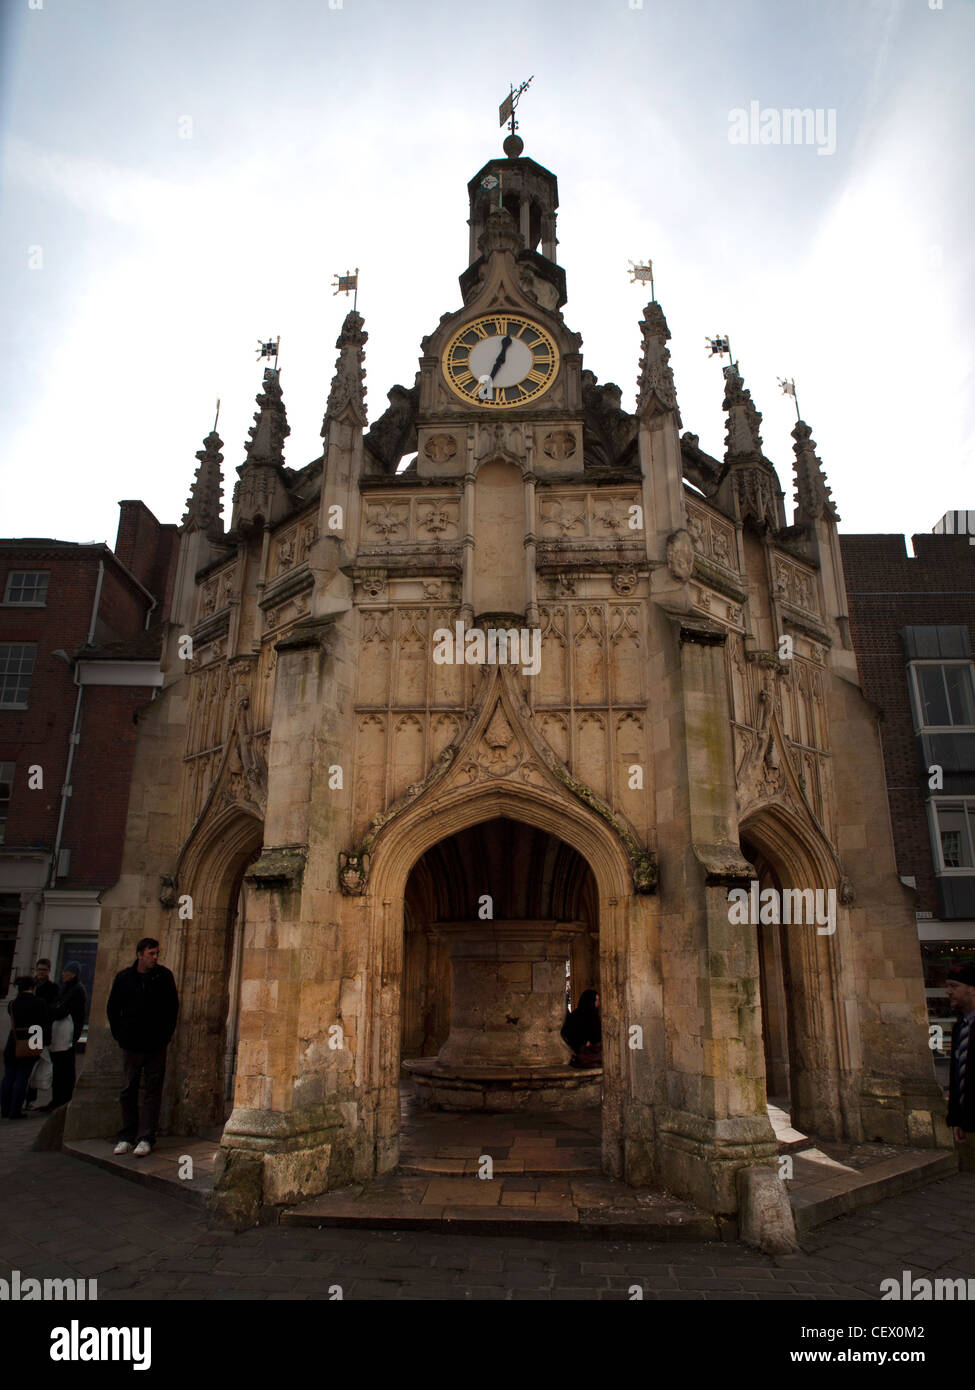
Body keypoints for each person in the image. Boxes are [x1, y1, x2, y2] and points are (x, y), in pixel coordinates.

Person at [106, 938, 178, 1156]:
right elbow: (113, 1009)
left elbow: (172, 1008)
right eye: (151, 954)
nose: (155, 957)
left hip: (156, 1043)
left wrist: (165, 1036)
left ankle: (146, 1137)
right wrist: (121, 1036)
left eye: (157, 953)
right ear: (139, 954)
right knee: (129, 1089)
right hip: (132, 1043)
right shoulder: (124, 978)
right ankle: (126, 1136)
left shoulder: (164, 977)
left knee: (152, 1090)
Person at [1, 977, 52, 1119]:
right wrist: (46, 1041)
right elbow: (44, 1024)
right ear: (32, 987)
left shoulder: (12, 1004)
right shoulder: (39, 1003)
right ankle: (15, 1110)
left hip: (14, 1041)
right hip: (31, 1040)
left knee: (8, 1077)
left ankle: (4, 1109)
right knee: (22, 1077)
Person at [40, 961, 87, 1112]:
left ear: (73, 974)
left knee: (65, 1069)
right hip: (59, 1033)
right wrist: (56, 1008)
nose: (63, 974)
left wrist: (55, 1008)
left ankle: (64, 1099)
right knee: (58, 1068)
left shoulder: (76, 990)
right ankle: (57, 1099)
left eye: (67, 972)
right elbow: (56, 1006)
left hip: (67, 1034)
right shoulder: (65, 989)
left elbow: (61, 1009)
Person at [945, 961, 975, 1145]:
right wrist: (958, 1119)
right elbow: (958, 1076)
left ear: (972, 989)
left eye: (954, 986)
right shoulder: (960, 1027)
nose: (948, 991)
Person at [24, 959, 59, 1111]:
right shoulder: (31, 986)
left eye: (44, 970)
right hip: (27, 1029)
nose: (41, 973)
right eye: (39, 970)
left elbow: (51, 1008)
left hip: (38, 1030)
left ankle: (31, 1098)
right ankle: (24, 1096)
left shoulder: (52, 988)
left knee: (35, 1063)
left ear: (49, 971)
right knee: (26, 1064)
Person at [561, 987, 602, 1068]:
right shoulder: (585, 1016)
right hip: (586, 1053)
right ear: (590, 1001)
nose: (598, 1003)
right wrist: (583, 1043)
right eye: (596, 1000)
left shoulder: (585, 1014)